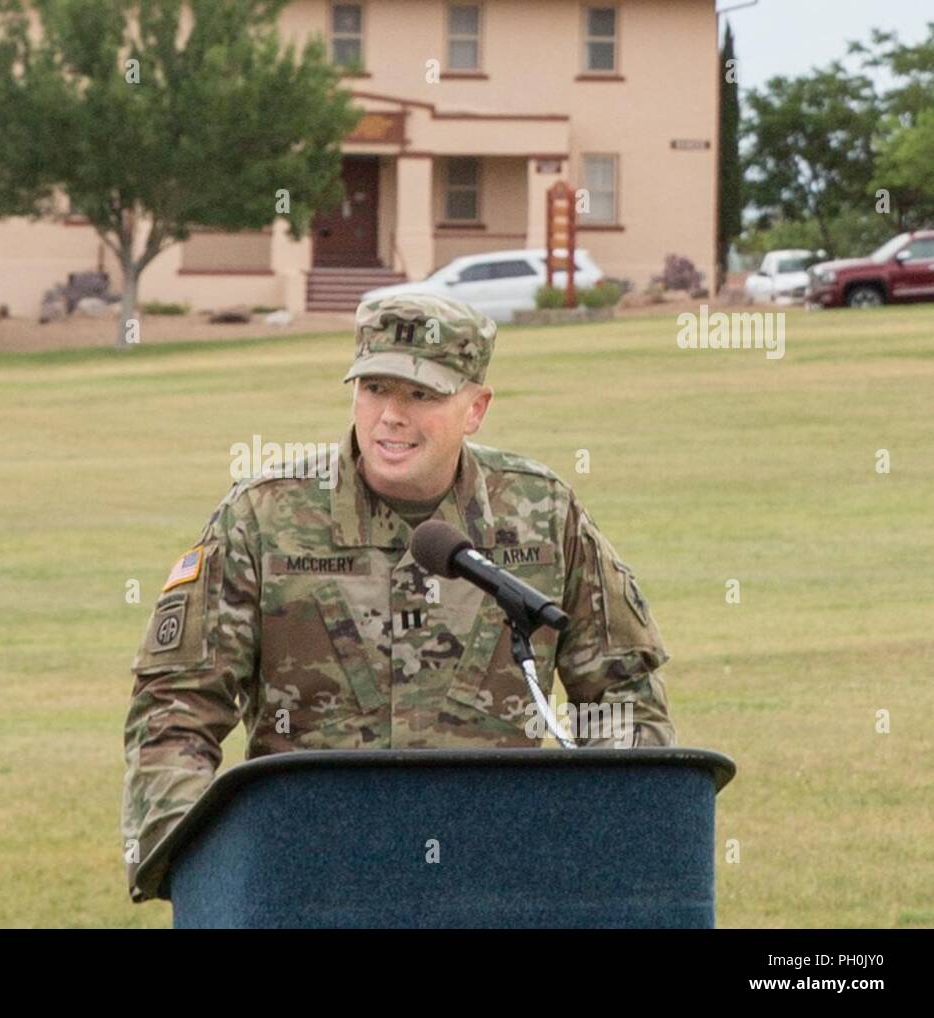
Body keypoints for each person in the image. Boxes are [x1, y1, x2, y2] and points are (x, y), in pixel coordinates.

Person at [121, 293, 675, 902]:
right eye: (375, 388)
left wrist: (621, 844)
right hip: (310, 879)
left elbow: (622, 694)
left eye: (422, 395)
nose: (391, 416)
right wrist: (194, 863)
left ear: (476, 407)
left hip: (498, 879)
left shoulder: (542, 514)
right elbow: (176, 707)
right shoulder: (263, 519)